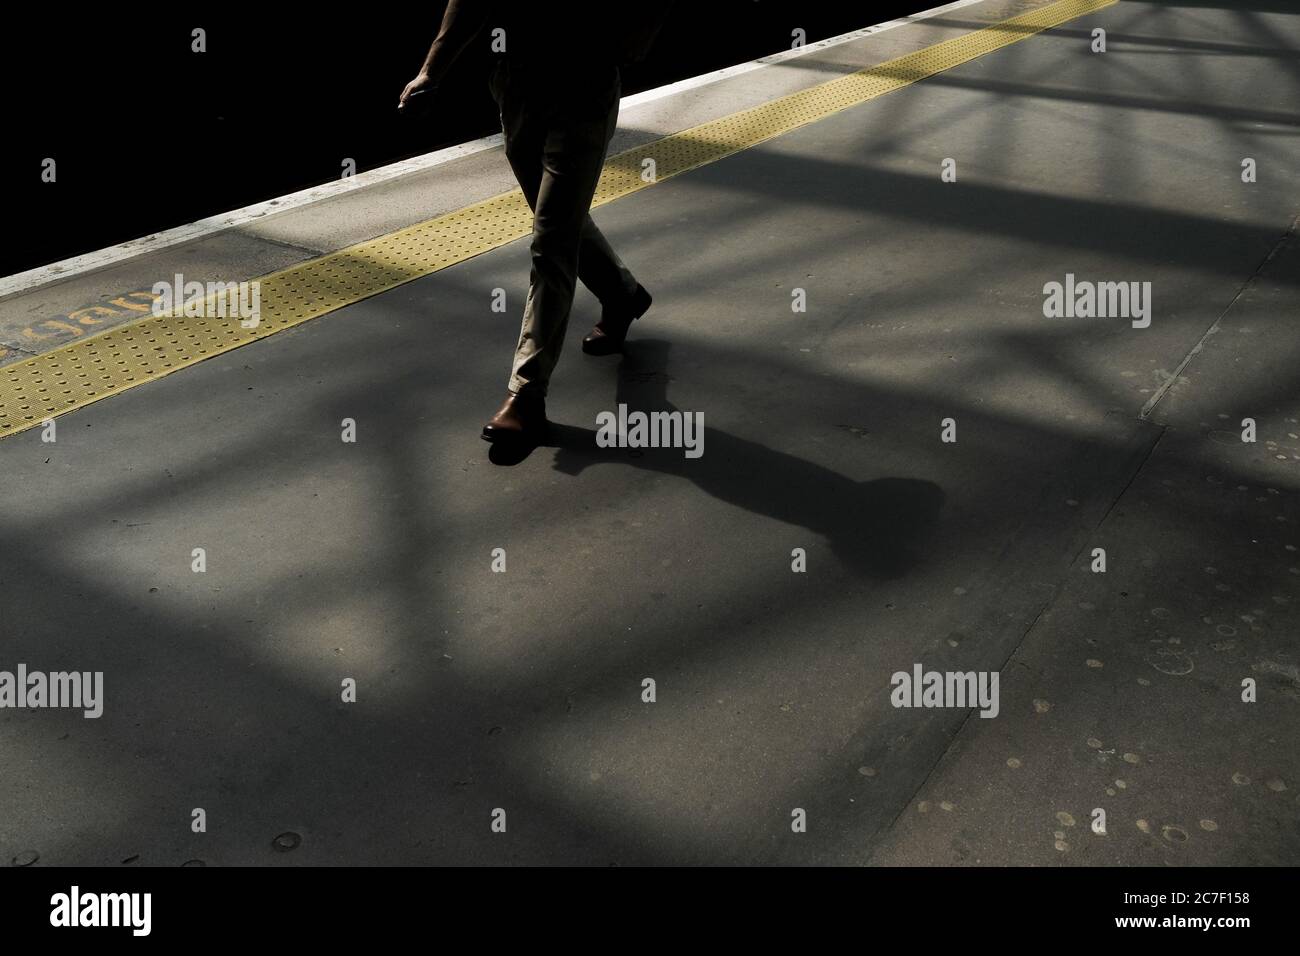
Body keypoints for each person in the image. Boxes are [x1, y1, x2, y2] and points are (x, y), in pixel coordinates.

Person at [399, 1, 672, 445]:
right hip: (516, 83)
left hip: (584, 84)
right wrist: (431, 70)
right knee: (558, 220)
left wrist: (633, 38)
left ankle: (526, 393)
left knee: (551, 240)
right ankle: (622, 294)